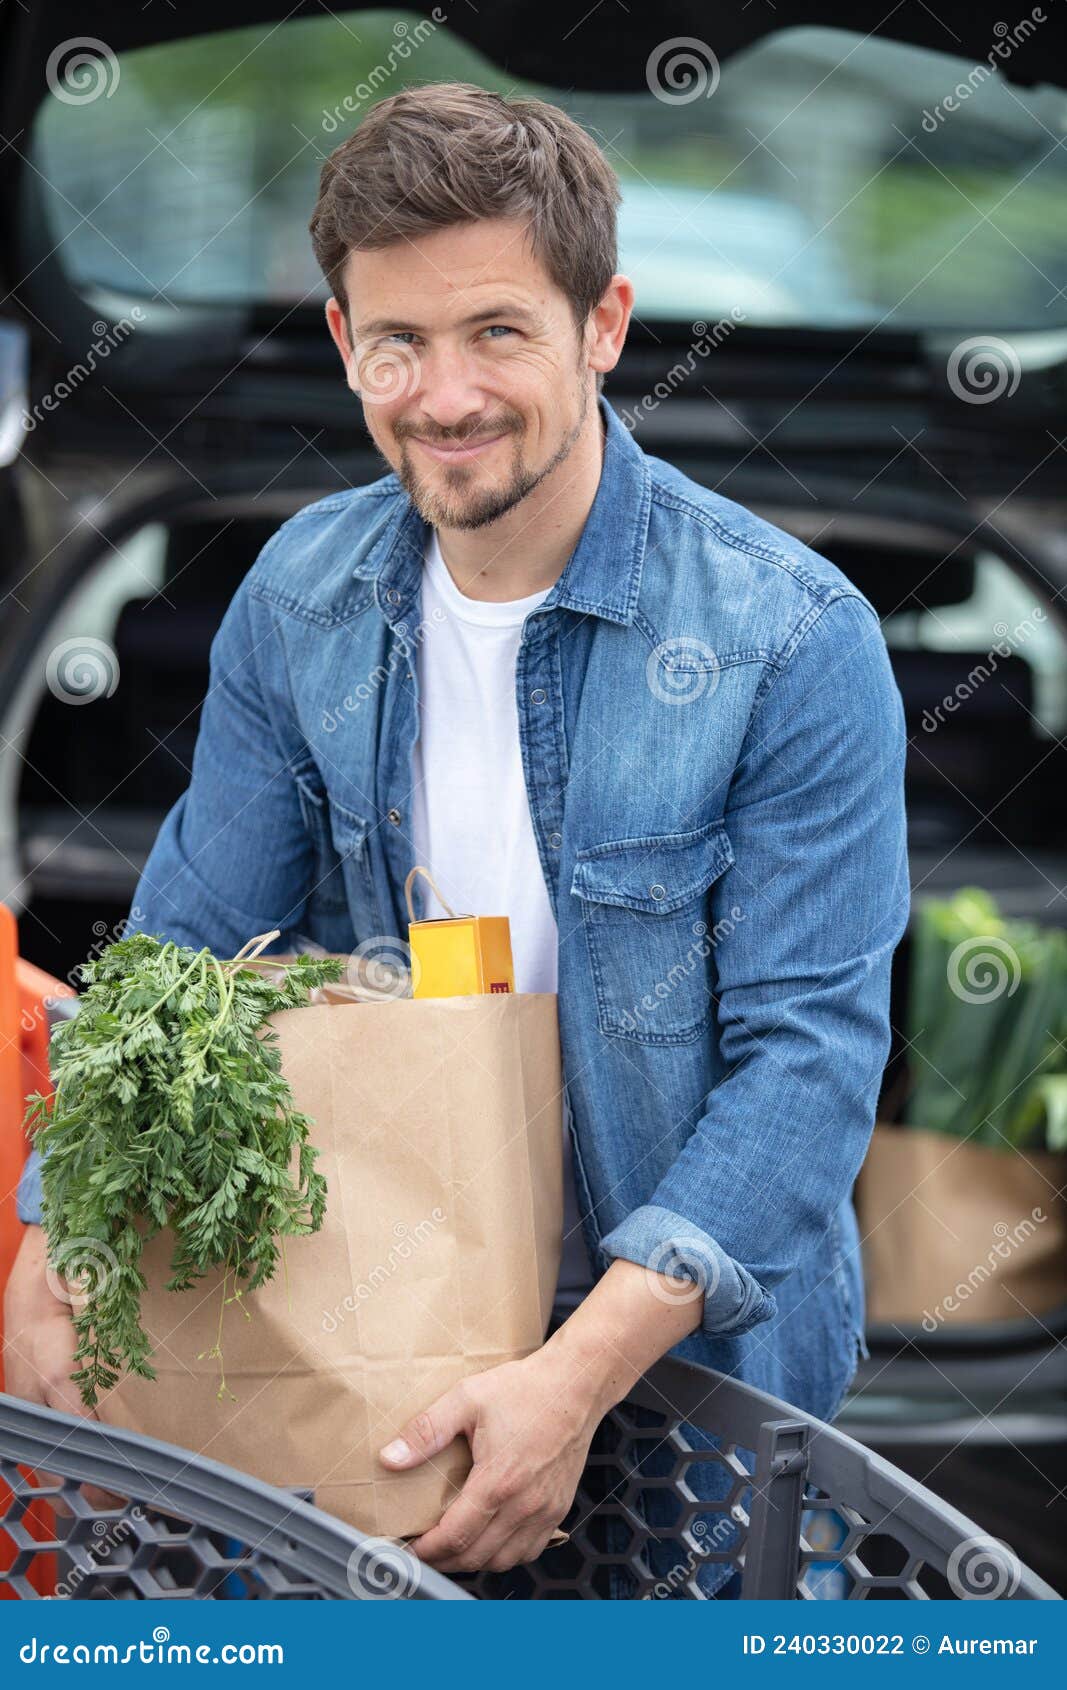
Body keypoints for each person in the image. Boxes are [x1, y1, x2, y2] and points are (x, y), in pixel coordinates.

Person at [5, 82, 908, 1591]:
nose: (443, 395)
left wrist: (569, 1382)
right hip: (382, 1300)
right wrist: (51, 1227)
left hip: (698, 1370)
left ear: (603, 324)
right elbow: (183, 946)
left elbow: (808, 1068)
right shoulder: (302, 596)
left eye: (497, 330)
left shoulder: (789, 638)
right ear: (346, 338)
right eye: (394, 342)